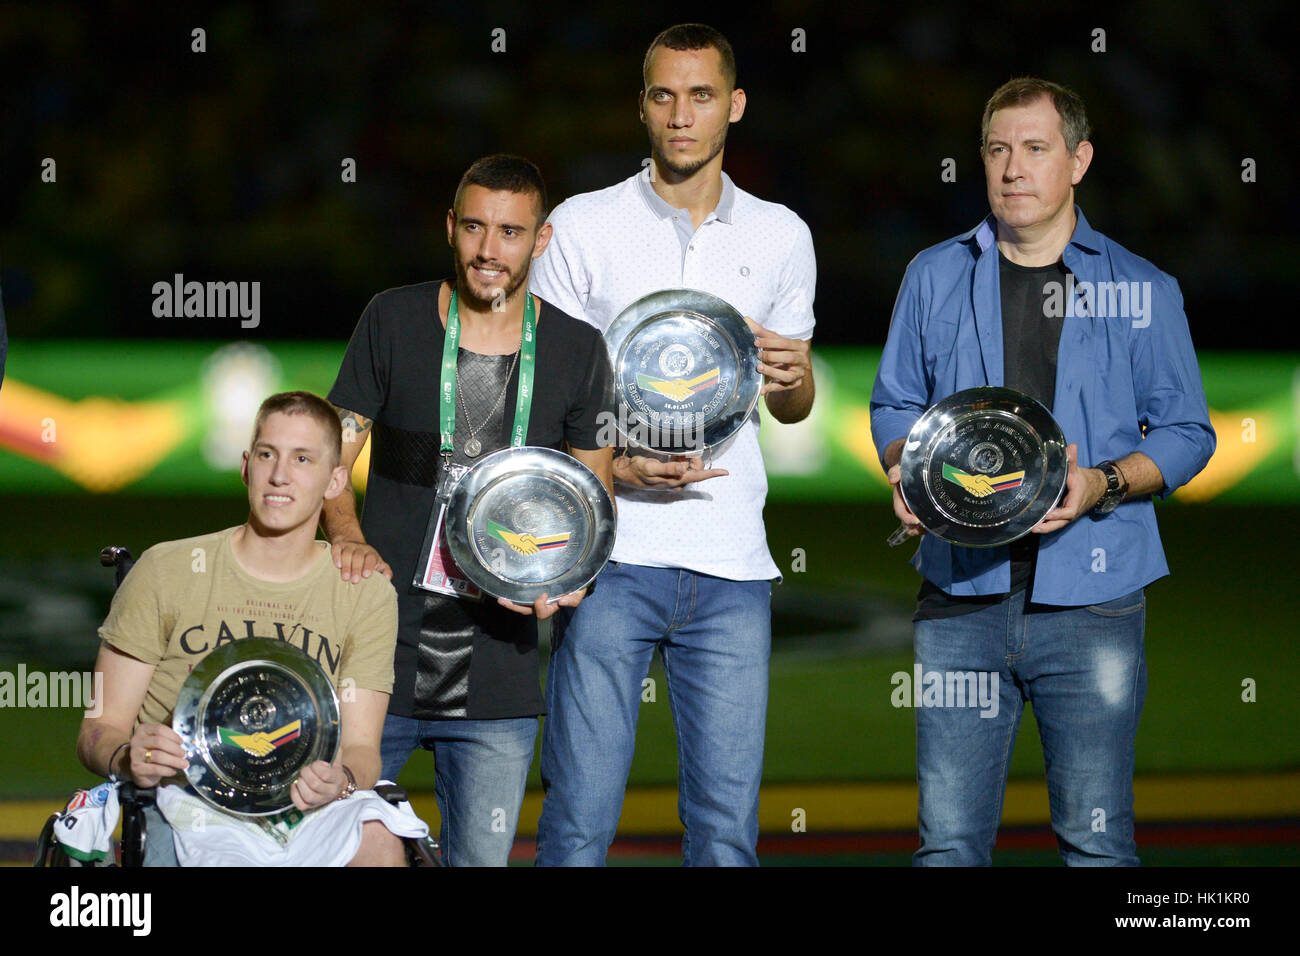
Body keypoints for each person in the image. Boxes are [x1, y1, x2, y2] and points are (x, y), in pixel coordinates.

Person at [869, 77, 1216, 865]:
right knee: (948, 846)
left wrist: (1103, 483)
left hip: (1093, 605)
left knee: (1096, 847)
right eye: (997, 150)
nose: (1012, 169)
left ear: (1079, 160)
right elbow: (895, 404)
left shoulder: (1143, 289)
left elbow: (1190, 433)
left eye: (1034, 149)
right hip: (960, 599)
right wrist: (905, 467)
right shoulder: (934, 274)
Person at [528, 23, 817, 866]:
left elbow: (791, 407)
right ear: (642, 107)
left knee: (727, 834)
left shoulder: (781, 235)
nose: (681, 115)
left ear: (735, 106)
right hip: (607, 556)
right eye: (663, 96)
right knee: (578, 823)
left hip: (733, 564)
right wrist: (614, 467)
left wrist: (796, 379)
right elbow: (545, 403)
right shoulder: (582, 225)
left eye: (699, 96)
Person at [324, 154, 615, 866]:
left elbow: (591, 504)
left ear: (540, 241)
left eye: (511, 232)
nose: (490, 250)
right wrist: (347, 537)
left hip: (498, 674)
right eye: (476, 228)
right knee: (334, 854)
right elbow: (334, 457)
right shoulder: (392, 317)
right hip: (375, 657)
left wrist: (563, 580)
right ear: (451, 228)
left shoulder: (579, 349)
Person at [76, 390, 423, 866]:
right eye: (267, 455)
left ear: (334, 480)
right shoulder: (165, 569)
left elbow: (362, 750)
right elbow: (98, 729)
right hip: (187, 798)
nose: (280, 475)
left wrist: (340, 780)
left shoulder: (364, 593)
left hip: (305, 803)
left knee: (381, 839)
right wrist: (125, 756)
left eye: (303, 458)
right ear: (246, 466)